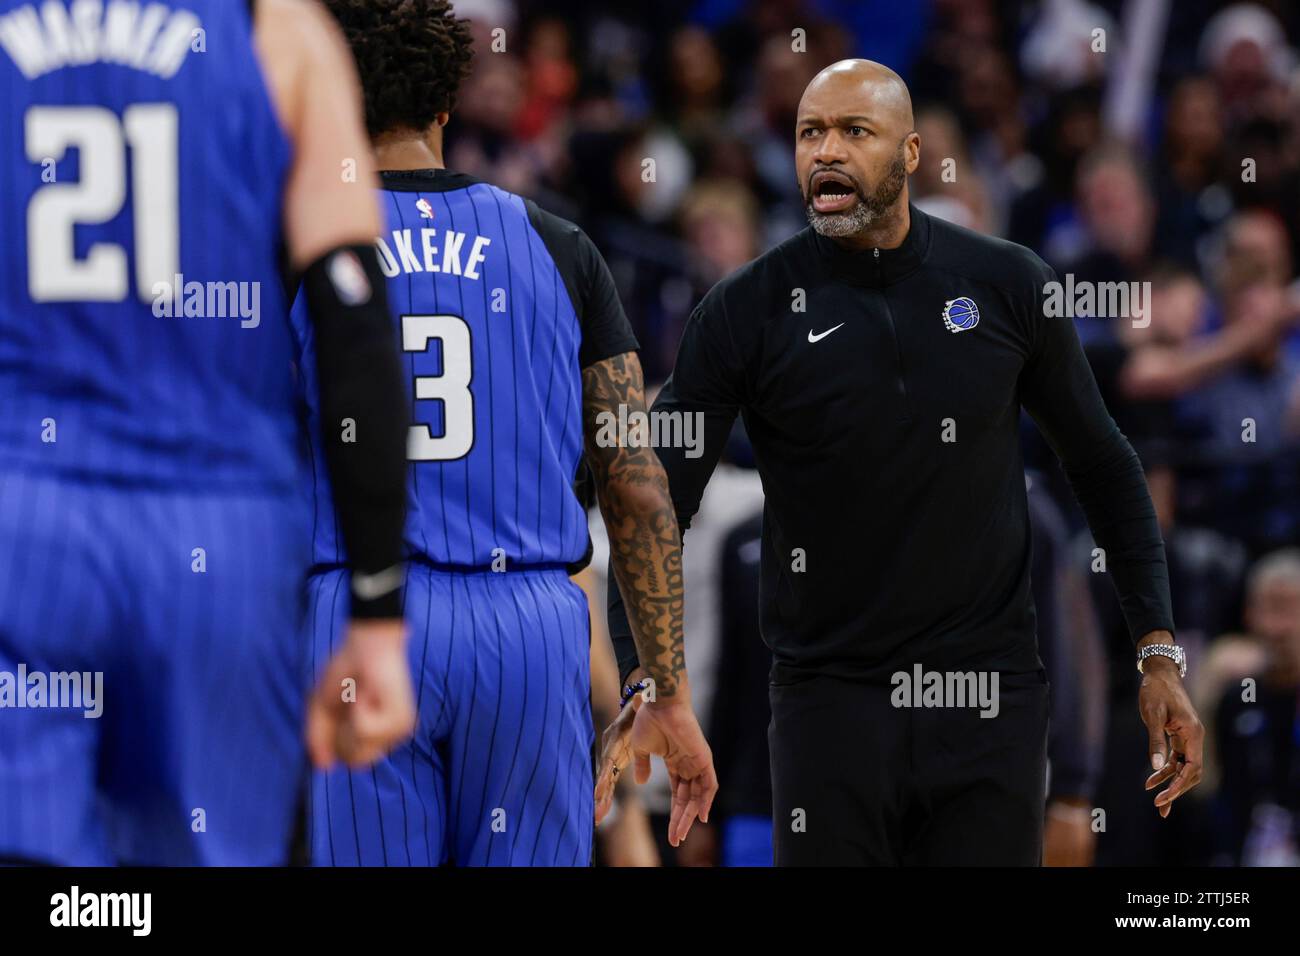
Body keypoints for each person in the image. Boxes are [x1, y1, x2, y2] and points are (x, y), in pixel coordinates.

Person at [602, 59, 1204, 866]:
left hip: (989, 702)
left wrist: (1157, 650)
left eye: (855, 131)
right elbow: (653, 498)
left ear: (911, 152)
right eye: (810, 132)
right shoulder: (744, 311)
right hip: (828, 707)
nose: (826, 151)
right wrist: (648, 677)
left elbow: (1105, 464)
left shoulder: (1008, 284)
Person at [302, 0, 715, 867]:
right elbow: (636, 488)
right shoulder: (558, 245)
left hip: (363, 617)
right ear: (447, 104)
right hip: (527, 628)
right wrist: (665, 692)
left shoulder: (301, 248)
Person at [0, 0, 414, 864]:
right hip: (217, 536)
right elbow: (353, 322)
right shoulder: (281, 30)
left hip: (23, 522)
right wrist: (378, 611)